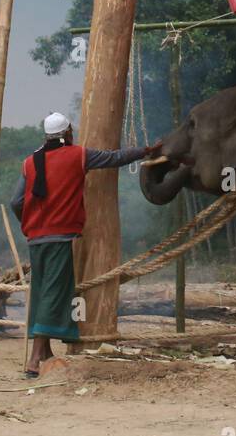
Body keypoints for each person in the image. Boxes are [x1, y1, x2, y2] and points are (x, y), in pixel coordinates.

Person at [9, 112, 162, 377]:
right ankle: (34, 361)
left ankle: (45, 353)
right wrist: (146, 151)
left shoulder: (30, 162)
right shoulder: (77, 155)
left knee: (42, 292)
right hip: (59, 237)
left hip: (35, 239)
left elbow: (16, 202)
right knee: (54, 294)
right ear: (67, 133)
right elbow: (114, 158)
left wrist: (29, 222)